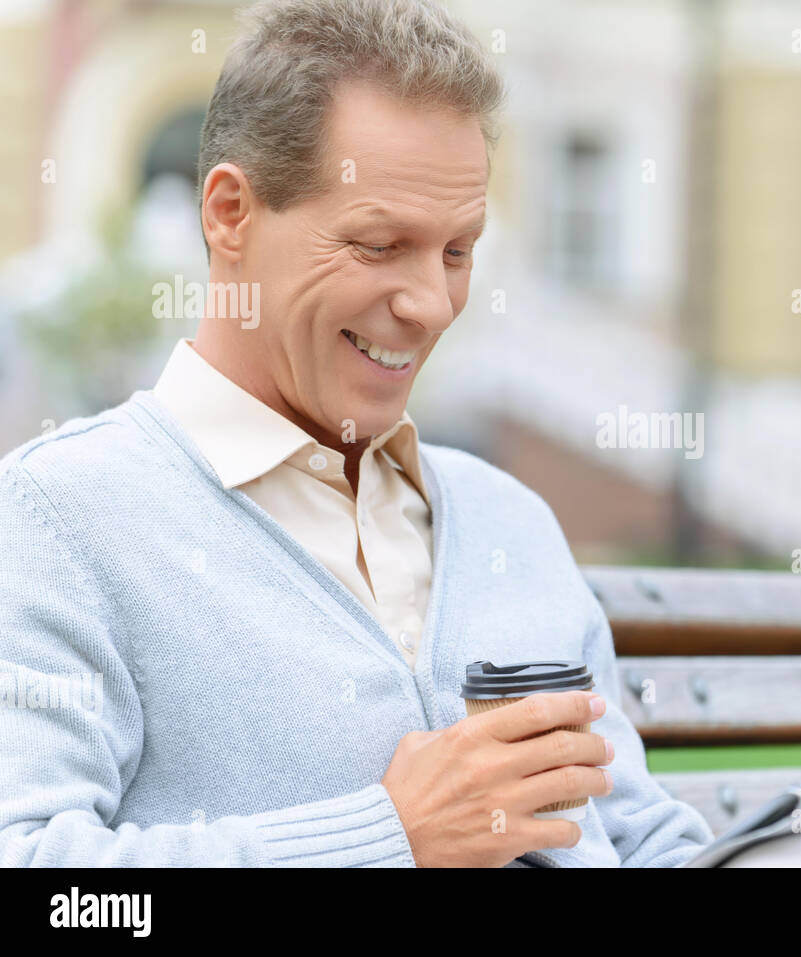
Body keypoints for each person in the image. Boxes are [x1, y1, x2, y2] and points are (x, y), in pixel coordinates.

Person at [0, 0, 713, 868]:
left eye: (458, 251)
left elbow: (640, 837)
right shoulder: (64, 518)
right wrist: (388, 839)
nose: (431, 304)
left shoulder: (507, 517)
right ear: (230, 214)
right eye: (380, 245)